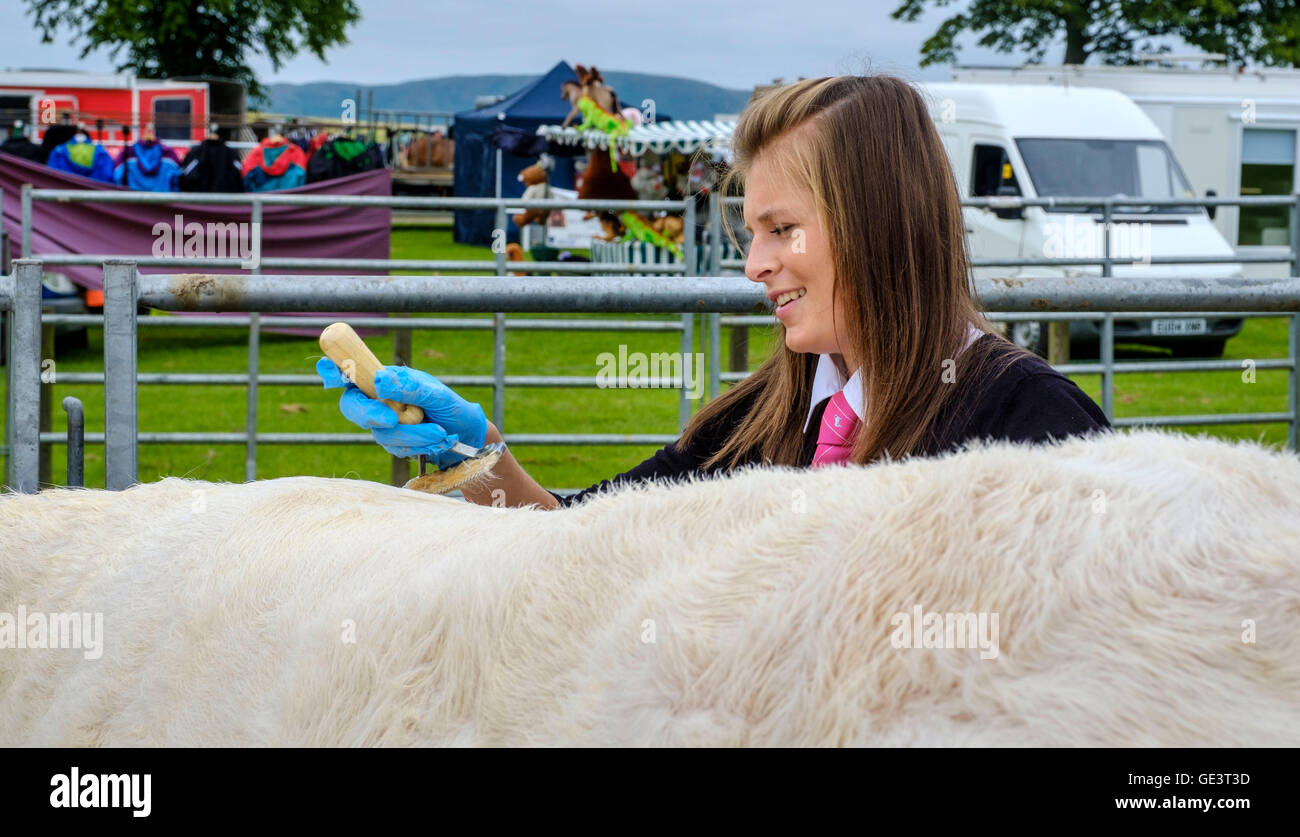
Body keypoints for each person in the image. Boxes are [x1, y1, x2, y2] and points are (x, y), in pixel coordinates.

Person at [317, 74, 1110, 510]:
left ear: (880, 222)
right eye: (751, 234)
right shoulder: (757, 422)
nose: (753, 266)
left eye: (781, 229)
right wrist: (476, 455)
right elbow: (578, 537)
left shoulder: (1037, 427)